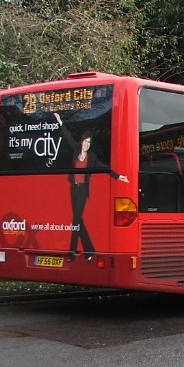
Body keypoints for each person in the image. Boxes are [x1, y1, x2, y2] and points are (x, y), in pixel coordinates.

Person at [54, 112, 129, 262]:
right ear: (82, 141)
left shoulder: (92, 157)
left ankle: (71, 253)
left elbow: (104, 167)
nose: (87, 144)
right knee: (79, 220)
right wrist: (60, 121)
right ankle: (89, 251)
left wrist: (118, 176)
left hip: (82, 190)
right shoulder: (76, 150)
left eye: (89, 142)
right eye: (86, 141)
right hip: (73, 189)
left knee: (76, 221)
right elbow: (68, 137)